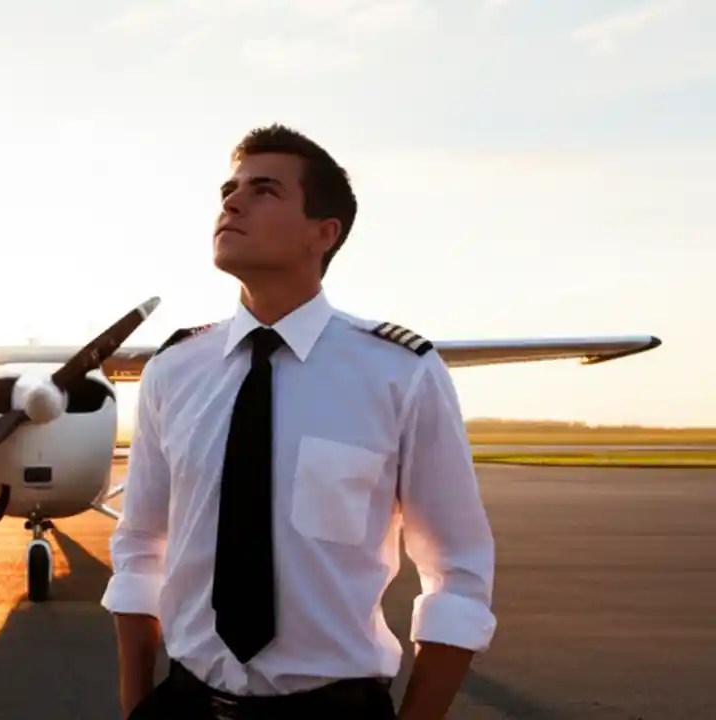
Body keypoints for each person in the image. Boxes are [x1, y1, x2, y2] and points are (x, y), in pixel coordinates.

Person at [100, 123, 496, 719]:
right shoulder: (173, 370)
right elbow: (139, 548)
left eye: (264, 190)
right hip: (183, 704)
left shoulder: (400, 372)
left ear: (324, 232)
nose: (232, 202)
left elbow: (459, 574)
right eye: (229, 189)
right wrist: (136, 707)